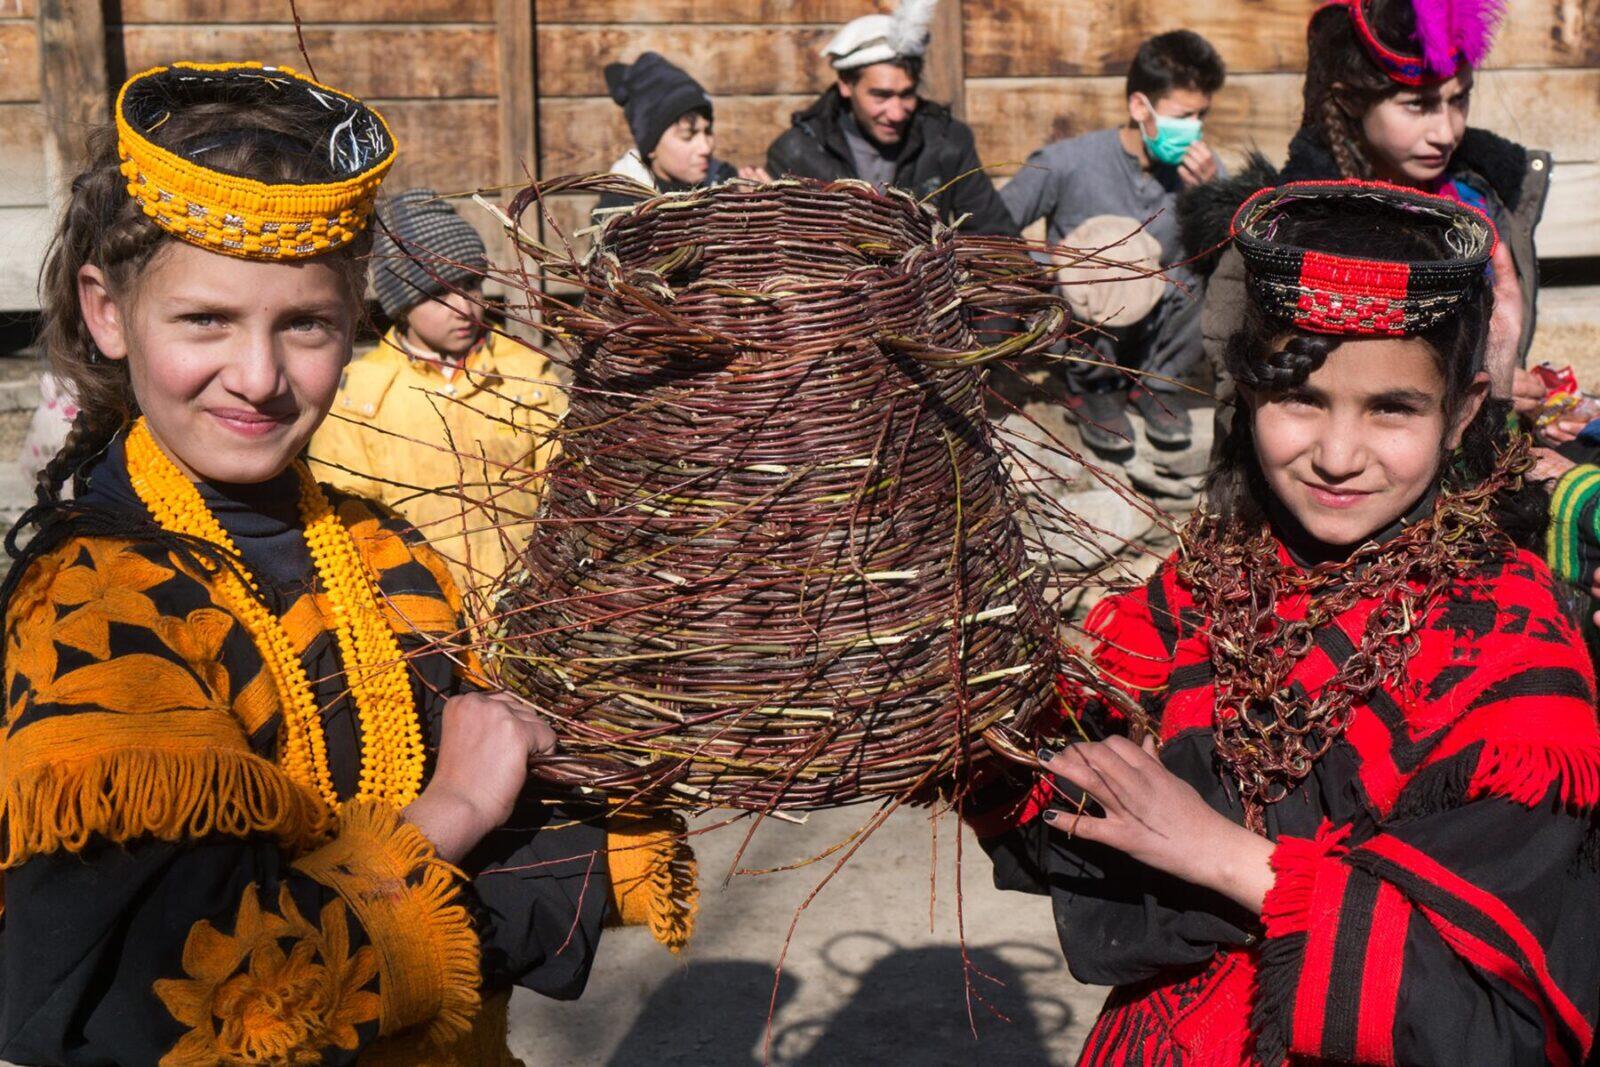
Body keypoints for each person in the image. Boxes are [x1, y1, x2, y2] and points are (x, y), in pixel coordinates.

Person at [0, 61, 693, 1064]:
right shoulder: (89, 611)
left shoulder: (386, 551)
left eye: (306, 325)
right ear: (108, 312)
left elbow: (529, 859)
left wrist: (632, 746)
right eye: (206, 319)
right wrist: (451, 813)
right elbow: (199, 996)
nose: (259, 376)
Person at [974, 181, 1600, 1063]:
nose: (1337, 456)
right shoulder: (1206, 577)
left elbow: (1495, 1010)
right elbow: (1075, 810)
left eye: (1392, 408)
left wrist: (1228, 858)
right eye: (1300, 397)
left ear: (1462, 412)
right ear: (1244, 386)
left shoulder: (1506, 646)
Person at [1191, 0, 1544, 404]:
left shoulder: (1482, 199)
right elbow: (1249, 402)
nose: (1446, 132)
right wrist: (1487, 397)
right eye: (1418, 104)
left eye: (1459, 99)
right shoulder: (1280, 235)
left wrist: (1509, 387)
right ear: (1351, 100)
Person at [309, 188, 565, 596]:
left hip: (527, 608)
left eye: (471, 285)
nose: (464, 307)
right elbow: (349, 526)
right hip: (419, 619)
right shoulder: (358, 397)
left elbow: (566, 500)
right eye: (438, 293)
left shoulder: (526, 375)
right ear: (401, 304)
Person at [1005, 30, 1227, 458]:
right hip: (1087, 329)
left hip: (1157, 328)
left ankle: (1158, 384)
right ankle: (1095, 388)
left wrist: (1210, 197)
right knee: (1113, 251)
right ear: (1139, 106)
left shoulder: (1203, 170)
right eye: (1183, 117)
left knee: (1217, 259)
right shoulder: (1066, 163)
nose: (1194, 130)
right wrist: (1052, 265)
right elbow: (992, 226)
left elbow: (1226, 252)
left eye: (1202, 117)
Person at [765, 0, 1017, 236]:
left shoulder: (946, 141)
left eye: (907, 94)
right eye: (880, 95)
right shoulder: (796, 154)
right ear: (845, 84)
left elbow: (996, 235)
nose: (896, 113)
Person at [595, 51, 767, 216]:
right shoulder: (619, 209)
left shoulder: (726, 185)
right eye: (688, 135)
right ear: (651, 147)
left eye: (707, 131)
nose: (706, 147)